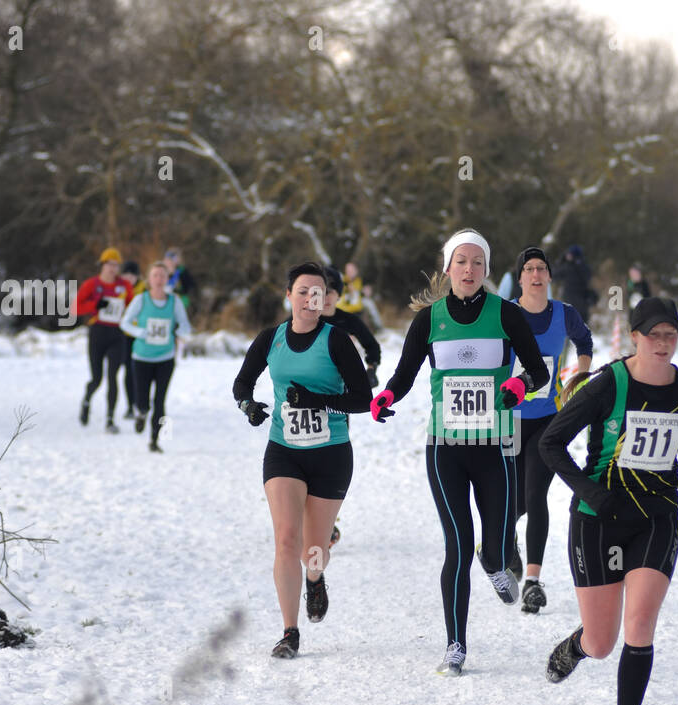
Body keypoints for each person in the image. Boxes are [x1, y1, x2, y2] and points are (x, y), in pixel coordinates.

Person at [539, 297, 678, 705]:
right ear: (635, 336)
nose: (662, 343)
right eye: (653, 334)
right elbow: (550, 444)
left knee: (639, 627)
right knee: (602, 642)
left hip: (657, 518)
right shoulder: (608, 385)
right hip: (599, 518)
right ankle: (578, 646)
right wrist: (590, 493)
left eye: (670, 335)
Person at [370, 228, 550, 675]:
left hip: (496, 448)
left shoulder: (506, 314)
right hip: (445, 449)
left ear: (486, 270)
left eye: (477, 262)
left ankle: (495, 562)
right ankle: (455, 646)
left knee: (496, 544)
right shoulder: (428, 321)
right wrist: (387, 395)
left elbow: (539, 371)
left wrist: (519, 385)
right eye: (461, 261)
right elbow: (405, 374)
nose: (469, 270)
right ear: (448, 267)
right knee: (457, 545)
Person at [232, 262, 373, 659]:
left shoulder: (336, 341)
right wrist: (249, 406)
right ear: (289, 296)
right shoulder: (271, 339)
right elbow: (242, 382)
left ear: (325, 298)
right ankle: (289, 632)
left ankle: (315, 577)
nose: (311, 298)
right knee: (286, 539)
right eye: (302, 291)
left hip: (331, 454)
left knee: (314, 549)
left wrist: (317, 400)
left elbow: (362, 399)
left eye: (317, 292)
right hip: (284, 451)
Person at [510, 246, 594, 614]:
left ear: (548, 275)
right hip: (508, 420)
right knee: (513, 502)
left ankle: (532, 581)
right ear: (520, 278)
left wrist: (579, 378)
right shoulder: (506, 314)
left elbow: (585, 342)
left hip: (546, 418)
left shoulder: (564, 314)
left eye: (541, 268)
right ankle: (499, 543)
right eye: (528, 268)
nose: (536, 274)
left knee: (535, 495)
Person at [120, 261, 192, 452]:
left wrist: (178, 332)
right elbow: (125, 322)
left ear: (168, 279)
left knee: (159, 400)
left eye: (162, 275)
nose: (159, 279)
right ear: (149, 279)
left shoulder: (174, 301)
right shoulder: (141, 299)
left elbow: (185, 325)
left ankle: (154, 439)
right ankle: (141, 413)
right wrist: (139, 332)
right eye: (155, 275)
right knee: (142, 400)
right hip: (141, 358)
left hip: (165, 358)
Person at [75, 247, 135, 432]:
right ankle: (87, 400)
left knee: (113, 376)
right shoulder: (91, 284)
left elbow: (133, 307)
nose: (112, 268)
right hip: (98, 333)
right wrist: (95, 305)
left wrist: (130, 317)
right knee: (97, 378)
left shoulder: (125, 286)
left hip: (117, 334)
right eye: (109, 264)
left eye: (116, 265)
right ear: (102, 265)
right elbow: (75, 308)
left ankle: (110, 419)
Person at [323, 265, 381, 388]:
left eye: (330, 292)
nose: (325, 297)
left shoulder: (347, 320)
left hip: (340, 385)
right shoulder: (304, 319)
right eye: (321, 292)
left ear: (338, 294)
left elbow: (372, 346)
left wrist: (371, 369)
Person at [119, 260, 143, 420]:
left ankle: (141, 402)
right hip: (125, 336)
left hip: (141, 335)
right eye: (126, 275)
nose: (129, 278)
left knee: (142, 371)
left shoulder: (145, 290)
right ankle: (130, 405)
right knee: (128, 371)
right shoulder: (119, 289)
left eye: (132, 275)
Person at [553, 245, 595, 316]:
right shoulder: (584, 266)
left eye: (569, 254)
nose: (567, 256)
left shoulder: (568, 268)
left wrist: (560, 261)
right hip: (583, 302)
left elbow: (553, 275)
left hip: (570, 301)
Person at [163, 248, 197, 315]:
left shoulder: (182, 272)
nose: (168, 263)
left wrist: (173, 275)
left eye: (170, 261)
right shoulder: (161, 271)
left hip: (181, 303)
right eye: (167, 260)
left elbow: (186, 288)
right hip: (166, 303)